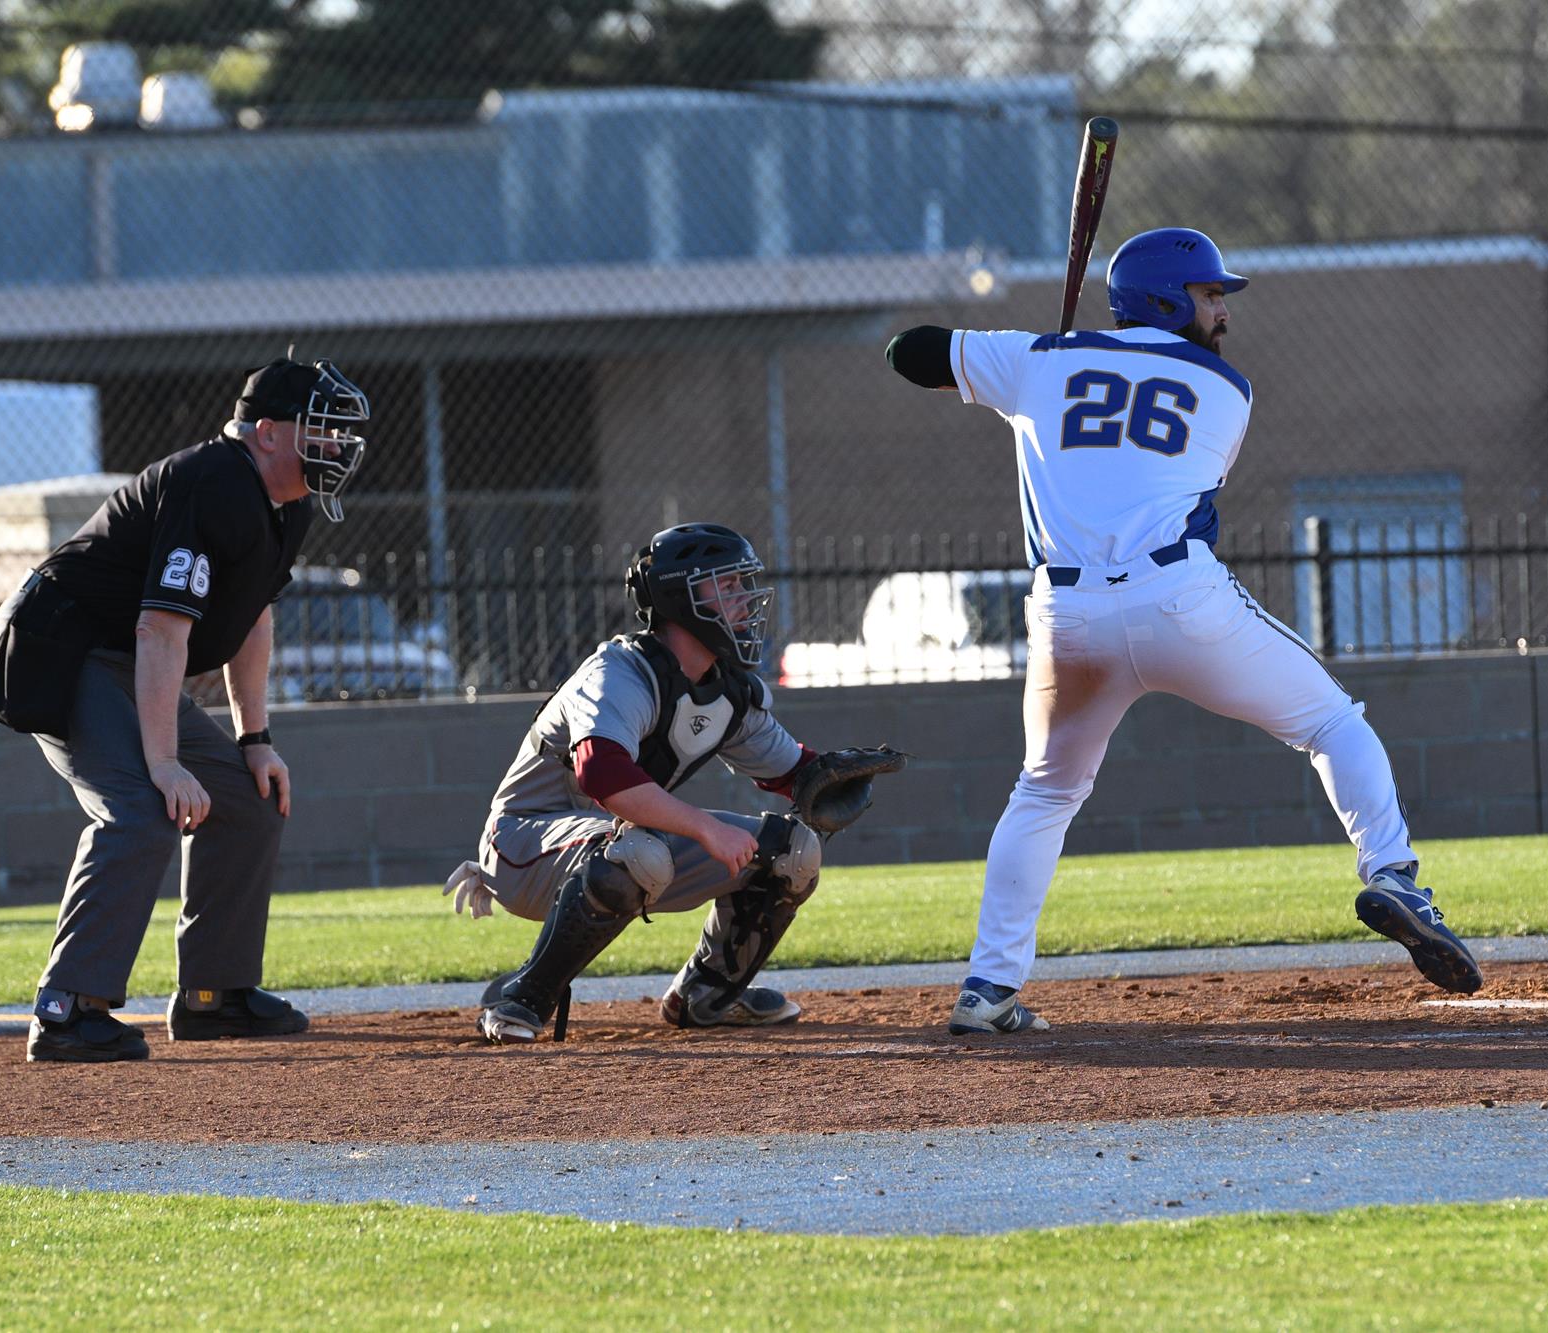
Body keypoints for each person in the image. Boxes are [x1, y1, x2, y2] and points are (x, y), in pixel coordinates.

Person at [884, 227, 1482, 1036]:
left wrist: (1028, 362)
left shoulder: (1038, 359)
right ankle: (1395, 875)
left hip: (1068, 623)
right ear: (1166, 300)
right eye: (1208, 295)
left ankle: (988, 988)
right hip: (1178, 600)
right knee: (1332, 722)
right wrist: (1051, 365)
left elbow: (906, 352)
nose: (1220, 312)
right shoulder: (1227, 390)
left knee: (1046, 791)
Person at [0, 355, 370, 1062]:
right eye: (321, 430)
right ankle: (65, 1009)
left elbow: (251, 619)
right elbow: (160, 629)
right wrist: (162, 762)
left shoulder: (288, 503)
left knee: (246, 800)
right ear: (268, 432)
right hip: (65, 648)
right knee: (140, 807)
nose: (335, 446)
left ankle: (214, 997)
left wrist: (256, 739)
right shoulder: (212, 481)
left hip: (127, 659)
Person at [441, 522, 907, 1044]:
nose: (744, 600)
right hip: (522, 842)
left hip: (613, 840)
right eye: (727, 586)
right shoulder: (618, 672)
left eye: (742, 585)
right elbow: (603, 774)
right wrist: (707, 829)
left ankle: (706, 994)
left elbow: (793, 773)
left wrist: (825, 783)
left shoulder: (727, 690)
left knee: (793, 851)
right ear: (679, 598)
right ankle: (522, 998)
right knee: (638, 854)